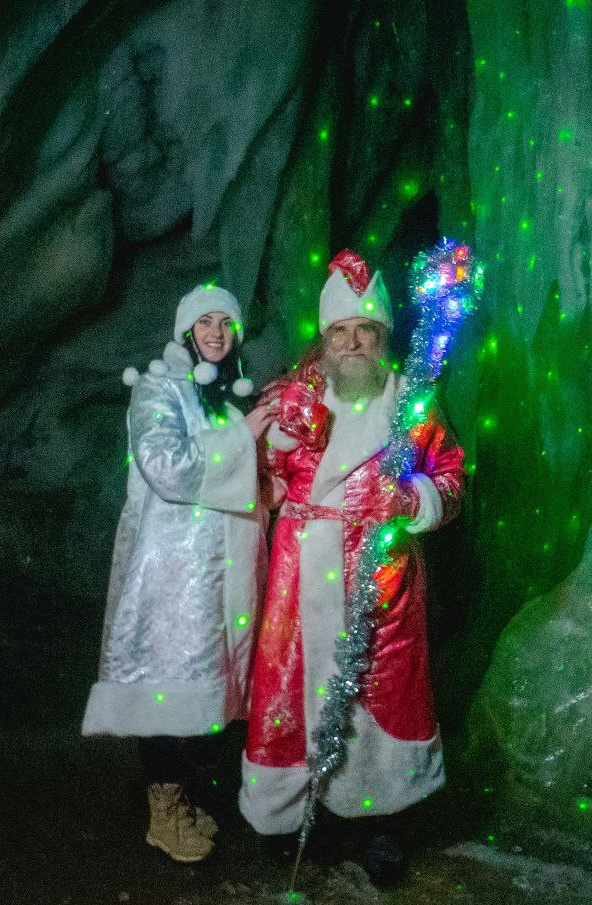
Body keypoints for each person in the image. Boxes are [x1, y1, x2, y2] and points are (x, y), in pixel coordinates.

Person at [239, 250, 464, 885]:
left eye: (365, 328)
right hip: (301, 571)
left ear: (383, 335)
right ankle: (286, 813)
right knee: (290, 688)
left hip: (382, 577)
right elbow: (258, 480)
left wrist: (417, 499)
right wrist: (270, 460)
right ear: (325, 338)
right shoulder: (294, 400)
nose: (353, 342)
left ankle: (383, 821)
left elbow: (451, 477)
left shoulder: (411, 402)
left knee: (382, 692)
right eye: (340, 330)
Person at [82, 284, 275, 863]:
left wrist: (268, 484)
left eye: (225, 323)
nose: (216, 333)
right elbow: (167, 467)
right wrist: (247, 433)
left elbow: (244, 476)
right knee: (168, 689)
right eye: (204, 323)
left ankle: (184, 798)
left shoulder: (228, 396)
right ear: (185, 331)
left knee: (206, 694)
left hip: (224, 574)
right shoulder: (157, 390)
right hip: (173, 577)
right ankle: (162, 813)